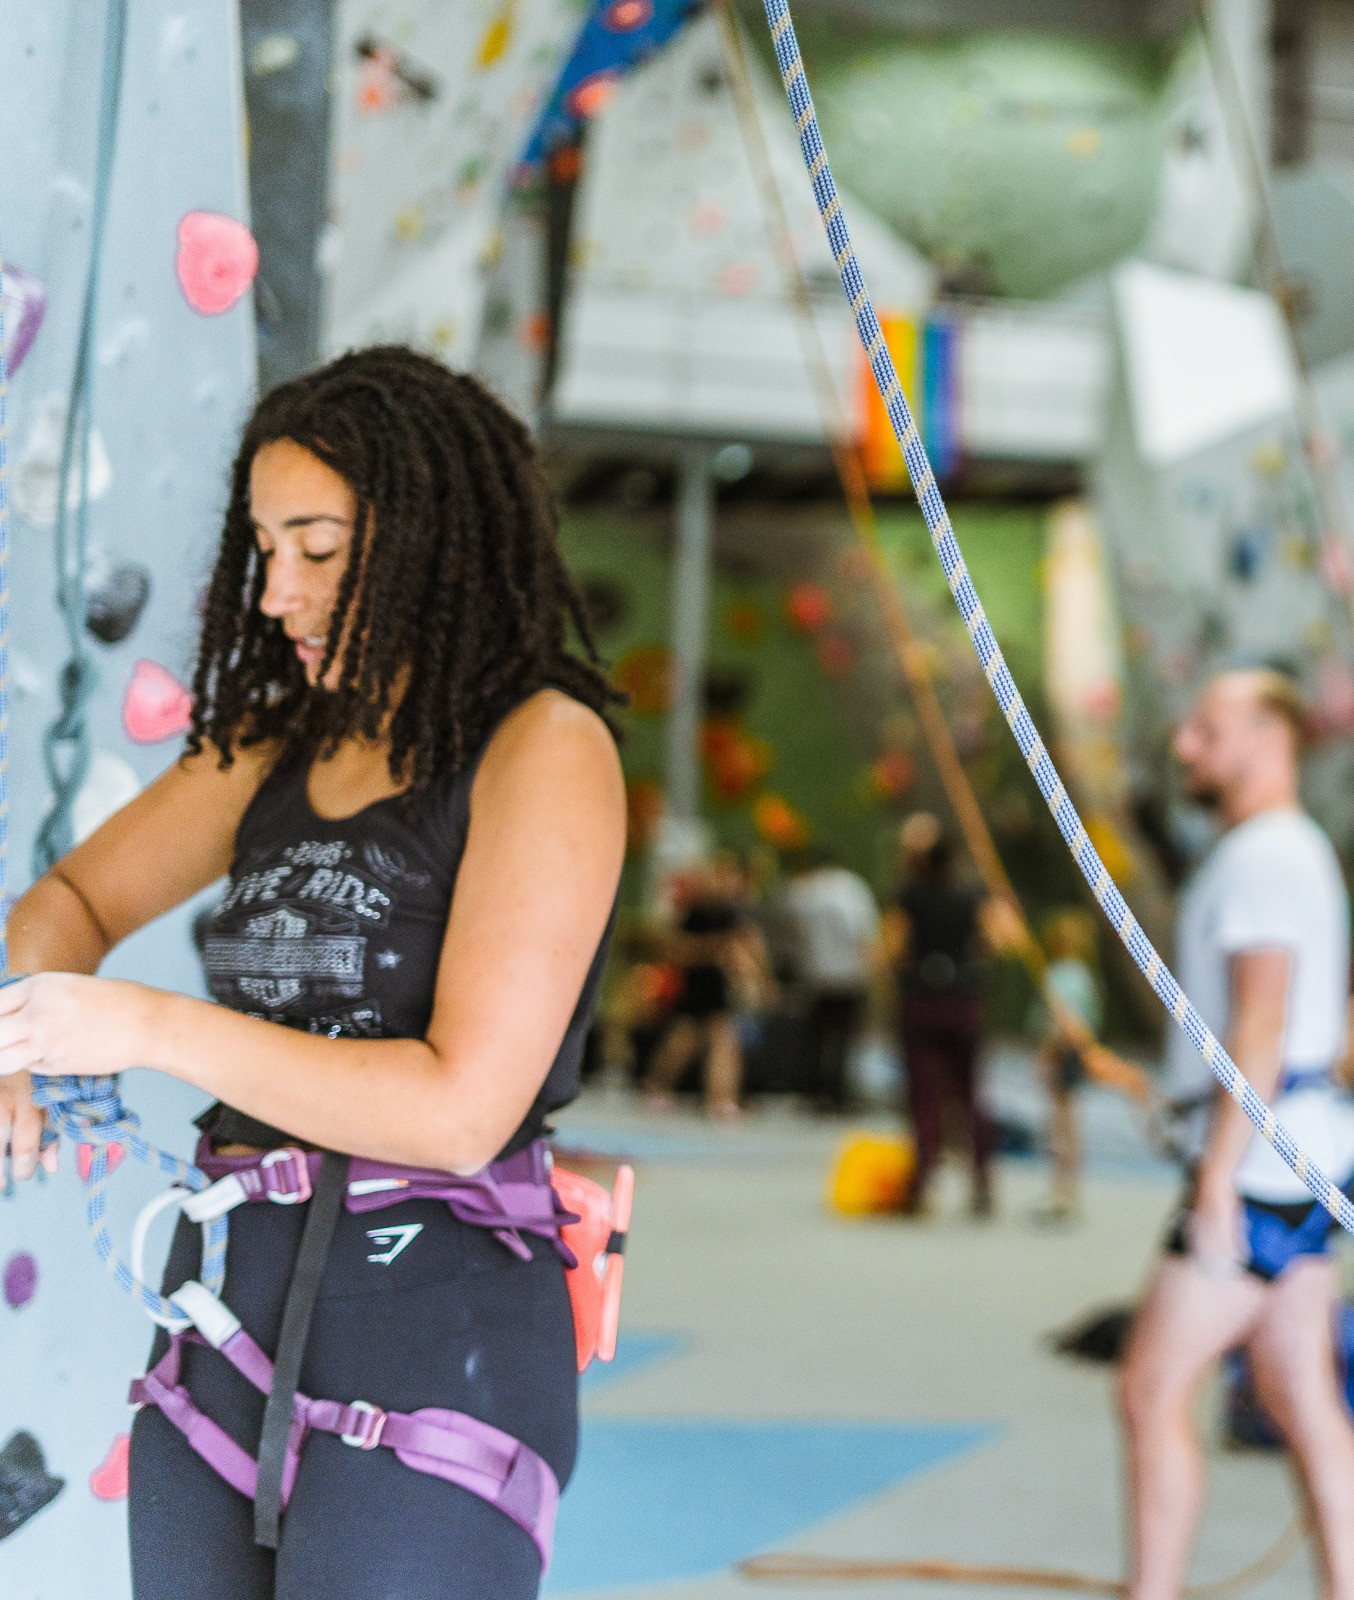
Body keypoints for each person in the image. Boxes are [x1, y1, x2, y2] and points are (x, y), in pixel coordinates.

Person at [0, 347, 626, 1600]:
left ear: (433, 543)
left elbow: (460, 1110)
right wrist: (23, 1041)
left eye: (320, 550)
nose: (280, 591)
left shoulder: (544, 748)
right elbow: (70, 901)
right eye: (264, 549)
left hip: (437, 1344)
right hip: (219, 1332)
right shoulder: (272, 747)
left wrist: (147, 1027)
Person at [1116, 669, 1354, 1600]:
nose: (1183, 746)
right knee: (1298, 1393)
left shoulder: (1264, 857)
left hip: (1265, 1166)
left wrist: (1216, 1175)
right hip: (1305, 1151)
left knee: (1148, 1388)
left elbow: (1260, 1024)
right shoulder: (1283, 847)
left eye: (1208, 729)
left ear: (1271, 736)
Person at [880, 813, 1015, 1217]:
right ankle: (981, 1177)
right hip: (963, 1001)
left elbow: (892, 950)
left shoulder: (909, 898)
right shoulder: (972, 897)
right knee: (970, 1092)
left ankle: (923, 1179)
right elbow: (1002, 940)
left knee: (923, 1094)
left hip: (922, 1001)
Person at [644, 852, 771, 1119]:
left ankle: (722, 1099)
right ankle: (657, 1087)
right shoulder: (698, 911)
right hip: (695, 984)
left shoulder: (733, 914)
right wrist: (714, 952)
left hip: (718, 986)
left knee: (723, 1041)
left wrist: (758, 980)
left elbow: (748, 948)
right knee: (684, 1040)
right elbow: (677, 949)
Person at [782, 846, 881, 1113]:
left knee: (815, 1036)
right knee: (844, 1037)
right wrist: (873, 969)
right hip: (848, 973)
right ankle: (839, 1094)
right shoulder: (850, 888)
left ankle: (815, 1091)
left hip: (815, 973)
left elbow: (791, 932)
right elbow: (863, 931)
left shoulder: (802, 891)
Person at [1030, 908, 1103, 1224]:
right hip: (1076, 1050)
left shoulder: (1057, 974)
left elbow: (1054, 1020)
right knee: (1070, 1117)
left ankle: (1061, 1186)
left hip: (1062, 1051)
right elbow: (1091, 1017)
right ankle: (1069, 1186)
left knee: (1059, 1120)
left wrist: (1046, 1053)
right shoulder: (1084, 976)